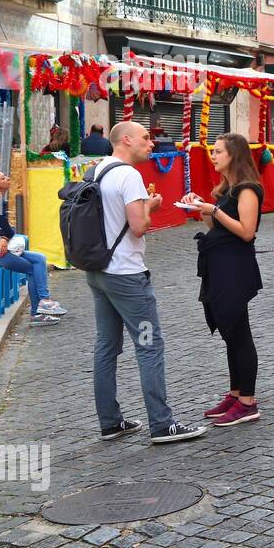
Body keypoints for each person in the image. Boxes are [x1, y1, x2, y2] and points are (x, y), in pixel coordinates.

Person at [88, 121, 205, 444]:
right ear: (126, 140)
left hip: (98, 271)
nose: (151, 144)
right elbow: (138, 227)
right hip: (126, 273)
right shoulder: (128, 175)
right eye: (145, 138)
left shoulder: (98, 170)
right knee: (149, 346)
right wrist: (150, 207)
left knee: (106, 347)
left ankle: (110, 422)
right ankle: (162, 424)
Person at [182, 134, 265, 428]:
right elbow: (216, 225)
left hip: (235, 268)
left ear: (234, 155)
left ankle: (248, 402)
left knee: (239, 332)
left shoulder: (248, 190)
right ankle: (235, 393)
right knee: (229, 331)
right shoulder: (226, 189)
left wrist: (213, 209)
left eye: (218, 152)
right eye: (213, 151)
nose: (213, 156)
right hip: (218, 265)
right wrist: (203, 209)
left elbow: (246, 231)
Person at [0, 169, 66, 327]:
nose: (8, 178)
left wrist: (3, 237)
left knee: (39, 258)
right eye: (3, 178)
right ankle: (40, 307)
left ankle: (42, 304)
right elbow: (8, 230)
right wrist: (4, 236)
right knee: (32, 268)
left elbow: (5, 230)